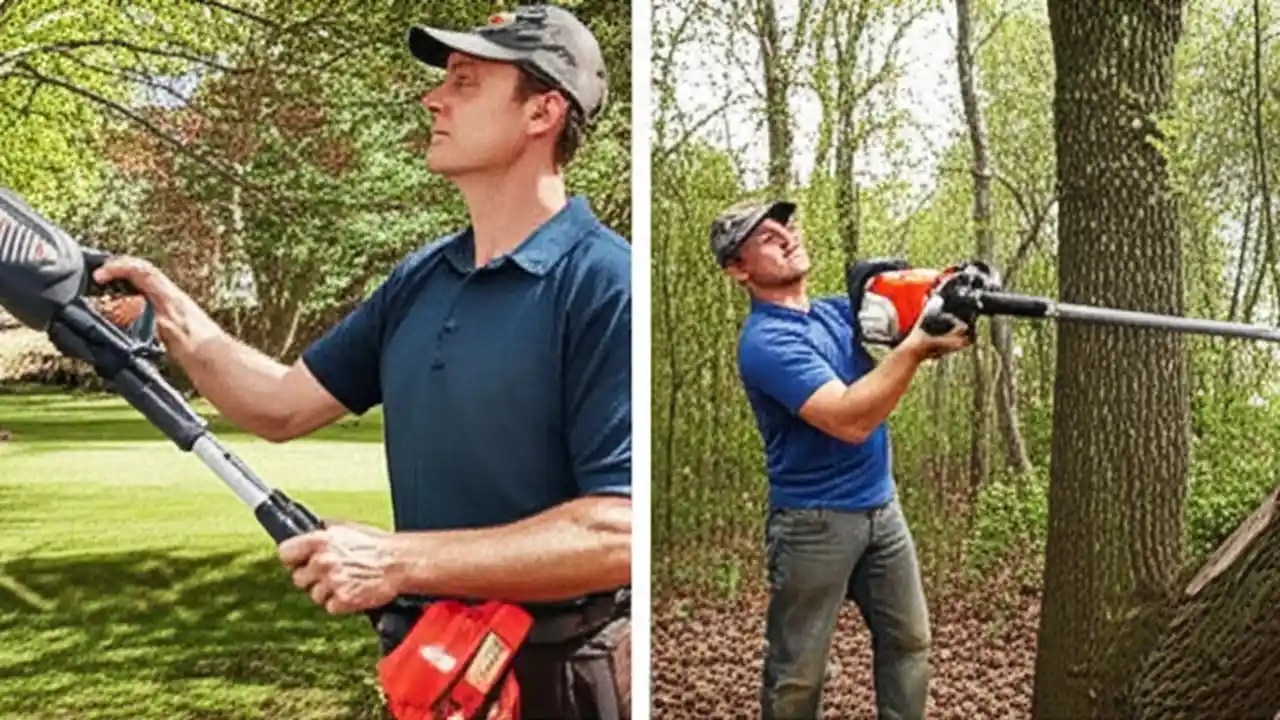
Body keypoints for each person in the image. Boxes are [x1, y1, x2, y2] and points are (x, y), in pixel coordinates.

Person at [94, 5, 631, 718]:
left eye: (465, 82)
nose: (433, 99)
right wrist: (171, 310)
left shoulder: (605, 283)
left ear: (543, 112)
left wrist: (396, 561)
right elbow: (280, 405)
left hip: (558, 681)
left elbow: (619, 531)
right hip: (434, 674)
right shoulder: (422, 279)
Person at [709, 200, 971, 720]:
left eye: (787, 227)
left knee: (910, 643)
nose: (787, 238)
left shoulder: (836, 313)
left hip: (883, 510)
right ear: (738, 268)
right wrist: (916, 349)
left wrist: (955, 288)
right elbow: (850, 420)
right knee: (798, 675)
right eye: (767, 238)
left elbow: (909, 312)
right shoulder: (765, 342)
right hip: (814, 523)